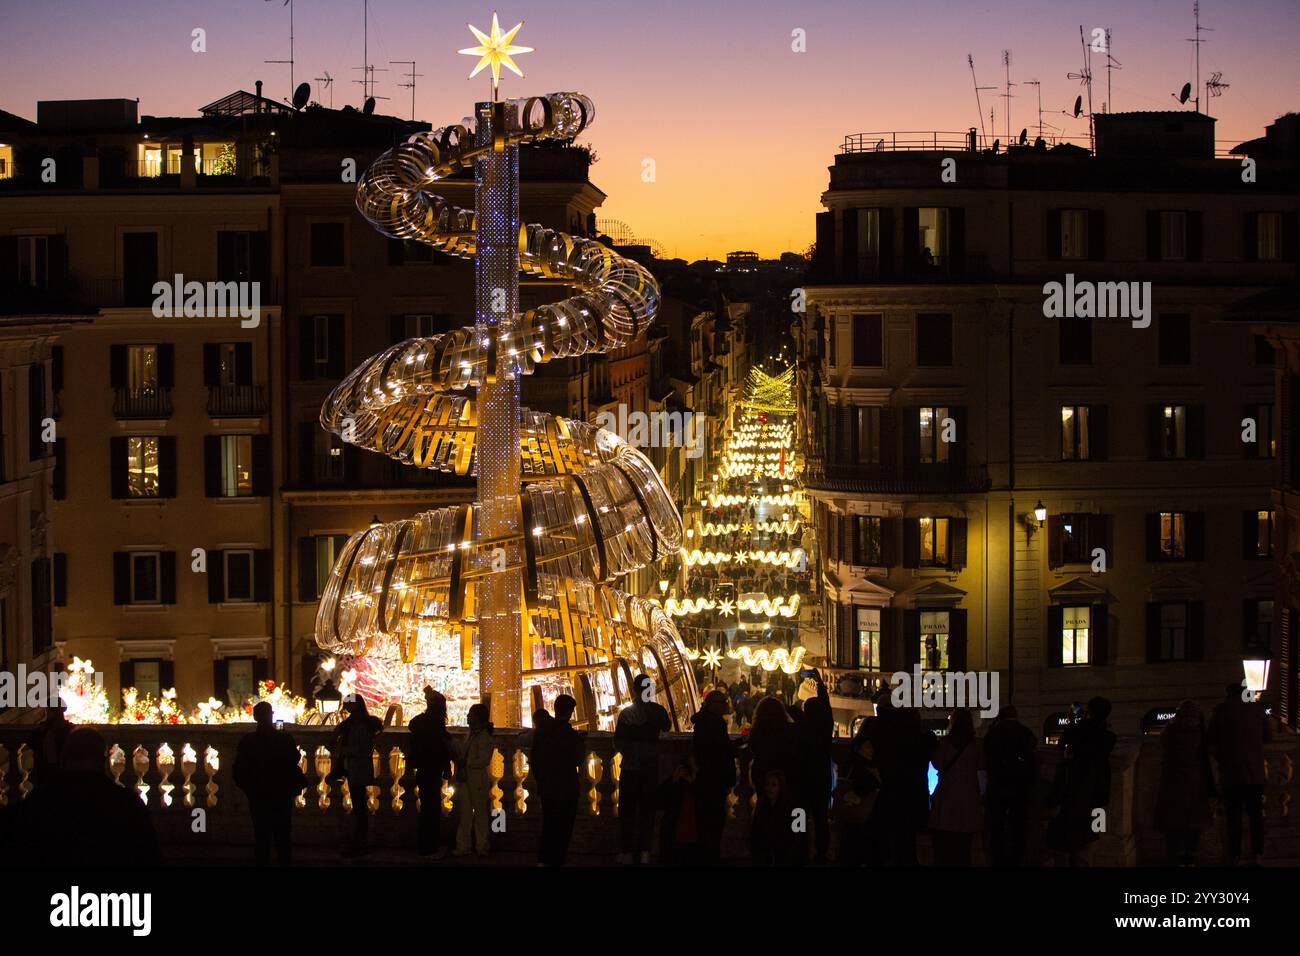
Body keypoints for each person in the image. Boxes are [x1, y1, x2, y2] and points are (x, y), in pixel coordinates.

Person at [15, 727, 160, 866]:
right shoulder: (127, 803)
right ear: (103, 760)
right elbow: (148, 854)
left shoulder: (40, 802)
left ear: (64, 758)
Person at [1045, 695, 1116, 866]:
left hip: (1073, 785)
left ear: (1089, 711)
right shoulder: (1109, 736)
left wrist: (1075, 723)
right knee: (1091, 834)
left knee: (1066, 831)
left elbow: (1062, 745)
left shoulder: (1075, 729)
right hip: (1097, 789)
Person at [232, 700, 305, 866]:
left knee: (261, 835)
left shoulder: (248, 741)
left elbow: (239, 769)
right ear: (271, 715)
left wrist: (249, 789)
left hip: (258, 793)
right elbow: (294, 758)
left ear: (255, 717)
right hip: (281, 792)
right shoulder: (284, 738)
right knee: (283, 835)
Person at [1209, 683, 1271, 865]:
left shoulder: (1221, 711)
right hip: (1255, 773)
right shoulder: (1257, 710)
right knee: (1256, 815)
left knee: (1233, 817)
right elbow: (1268, 737)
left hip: (1231, 773)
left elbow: (1210, 739)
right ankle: (1258, 852)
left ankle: (1235, 853)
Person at [614, 673, 671, 864]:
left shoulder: (627, 714)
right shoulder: (659, 711)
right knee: (648, 811)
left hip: (630, 768)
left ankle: (627, 851)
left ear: (634, 690)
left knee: (627, 811)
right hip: (650, 768)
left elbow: (618, 743)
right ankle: (645, 850)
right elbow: (667, 728)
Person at [1154, 699, 1215, 866]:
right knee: (1194, 822)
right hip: (1196, 782)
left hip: (1172, 782)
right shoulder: (1200, 732)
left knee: (1173, 822)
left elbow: (1164, 746)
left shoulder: (1171, 730)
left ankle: (1175, 856)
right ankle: (1190, 855)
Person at [530, 694, 585, 866]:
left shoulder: (542, 732)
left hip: (548, 786)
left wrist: (541, 780)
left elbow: (535, 759)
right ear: (569, 713)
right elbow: (578, 760)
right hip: (567, 787)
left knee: (548, 824)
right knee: (564, 826)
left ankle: (544, 859)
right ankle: (558, 858)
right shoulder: (570, 736)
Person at [982, 706, 1038, 866]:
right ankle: (1017, 856)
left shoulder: (994, 733)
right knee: (1018, 824)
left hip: (998, 785)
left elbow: (986, 751)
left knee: (997, 824)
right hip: (1020, 786)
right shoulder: (1025, 732)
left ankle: (998, 857)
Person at [928, 708, 984, 865]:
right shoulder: (977, 744)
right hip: (969, 794)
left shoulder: (945, 743)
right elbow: (982, 764)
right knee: (965, 845)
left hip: (947, 794)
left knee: (946, 842)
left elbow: (937, 763)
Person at [332, 695, 383, 857]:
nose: (345, 707)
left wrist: (344, 751)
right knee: (359, 806)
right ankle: (360, 842)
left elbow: (362, 750)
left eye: (347, 705)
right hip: (357, 768)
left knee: (359, 807)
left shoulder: (357, 725)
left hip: (357, 768)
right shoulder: (361, 723)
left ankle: (360, 844)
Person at [691, 689, 736, 864]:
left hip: (707, 780)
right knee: (713, 824)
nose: (726, 704)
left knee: (707, 825)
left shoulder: (705, 722)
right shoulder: (714, 723)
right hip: (713, 782)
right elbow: (720, 750)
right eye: (723, 702)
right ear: (712, 705)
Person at [406, 687, 452, 857]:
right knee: (432, 807)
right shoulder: (438, 724)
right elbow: (443, 748)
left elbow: (412, 725)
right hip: (434, 768)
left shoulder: (422, 722)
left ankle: (424, 844)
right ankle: (430, 844)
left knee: (427, 806)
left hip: (423, 767)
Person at [794, 673, 834, 863]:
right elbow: (826, 708)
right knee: (820, 820)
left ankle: (799, 846)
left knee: (800, 815)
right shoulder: (824, 731)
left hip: (801, 783)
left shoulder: (800, 730)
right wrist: (820, 684)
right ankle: (821, 852)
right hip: (821, 781)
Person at [454, 702, 496, 858]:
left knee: (480, 814)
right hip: (467, 776)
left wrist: (466, 762)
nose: (468, 717)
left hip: (476, 777)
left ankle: (481, 845)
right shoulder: (472, 734)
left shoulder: (484, 737)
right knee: (465, 812)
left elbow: (484, 760)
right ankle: (464, 845)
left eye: (471, 714)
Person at [835, 728, 882, 866]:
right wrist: (876, 778)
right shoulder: (864, 767)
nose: (871, 750)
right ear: (860, 748)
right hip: (860, 816)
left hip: (850, 815)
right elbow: (862, 787)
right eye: (867, 746)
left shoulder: (850, 762)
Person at [750, 770, 800, 866]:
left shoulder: (793, 807)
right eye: (767, 784)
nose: (770, 788)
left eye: (774, 785)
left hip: (785, 855)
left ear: (780, 787)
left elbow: (798, 837)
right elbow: (755, 833)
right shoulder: (761, 806)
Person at [658, 755, 700, 864]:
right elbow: (660, 800)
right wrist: (674, 780)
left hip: (689, 832)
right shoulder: (677, 784)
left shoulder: (696, 785)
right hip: (677, 832)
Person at [29, 703, 73, 786]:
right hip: (62, 770)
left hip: (46, 769)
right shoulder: (69, 728)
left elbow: (32, 743)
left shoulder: (43, 729)